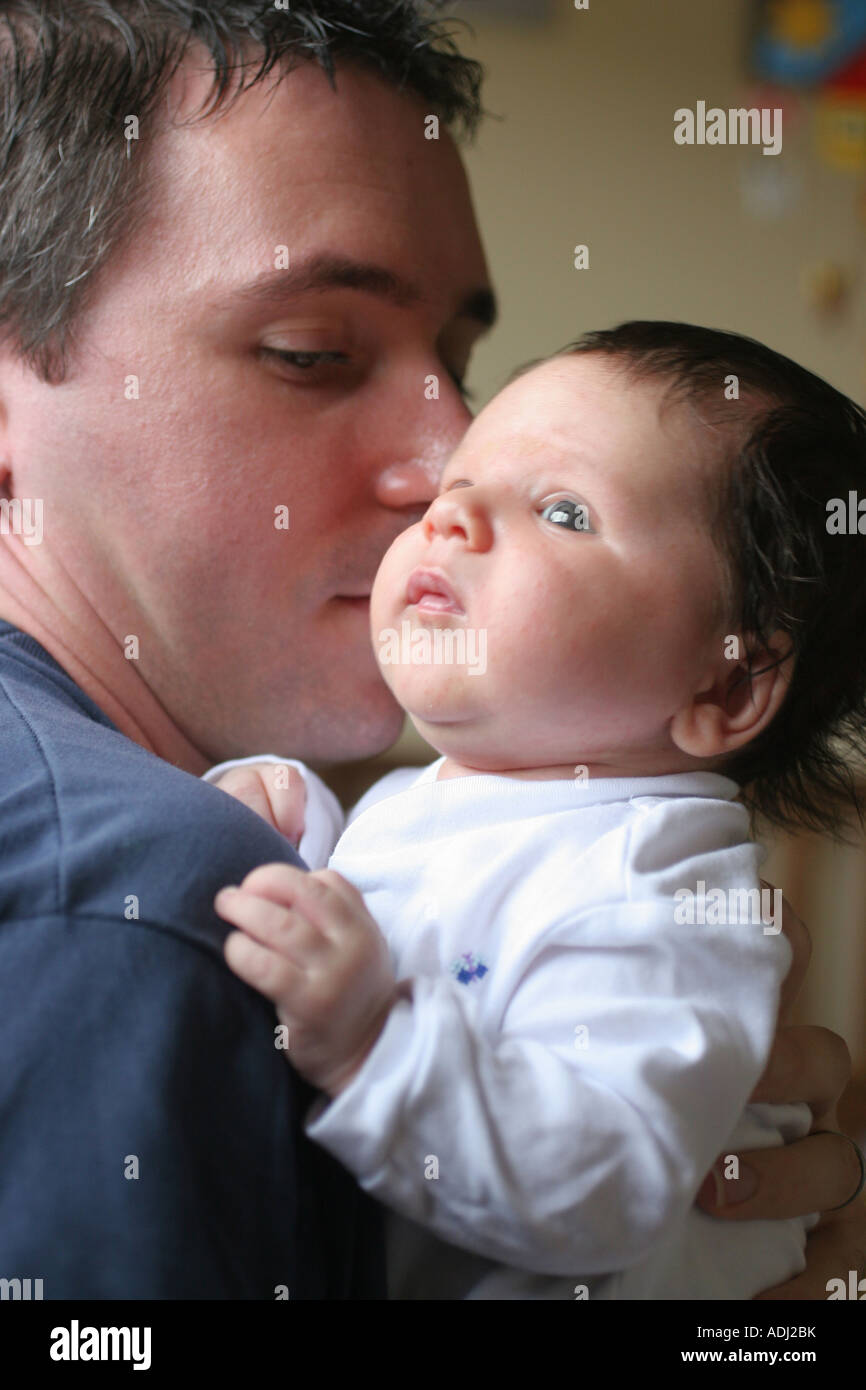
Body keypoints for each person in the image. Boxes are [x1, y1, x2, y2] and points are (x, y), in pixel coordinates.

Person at [0, 1, 861, 1300]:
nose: (444, 463)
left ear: (730, 679)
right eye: (315, 352)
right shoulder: (151, 898)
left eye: (458, 364)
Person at [210, 323, 866, 1298]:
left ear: (725, 684)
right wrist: (292, 823)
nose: (449, 519)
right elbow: (407, 915)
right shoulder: (438, 800)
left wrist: (372, 1047)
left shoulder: (663, 888)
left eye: (561, 510)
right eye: (453, 490)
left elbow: (604, 1183)